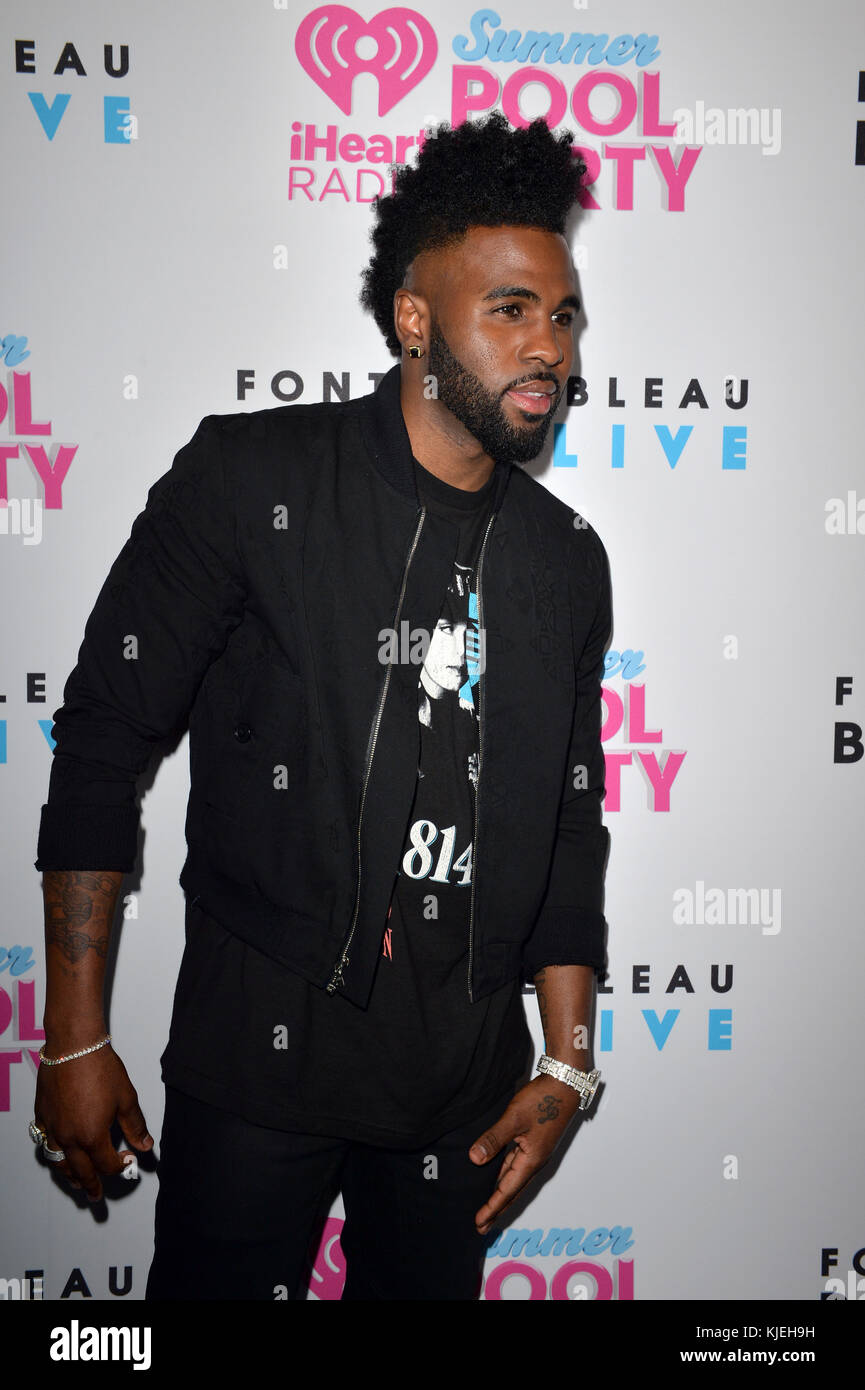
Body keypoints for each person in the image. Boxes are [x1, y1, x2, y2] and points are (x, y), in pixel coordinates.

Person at [32, 112, 612, 1301]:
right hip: (257, 1074)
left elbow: (566, 825)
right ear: (414, 319)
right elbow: (102, 743)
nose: (543, 345)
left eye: (560, 315)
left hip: (461, 1096)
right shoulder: (251, 481)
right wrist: (76, 1037)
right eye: (507, 309)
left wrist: (565, 1061)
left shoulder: (564, 559)